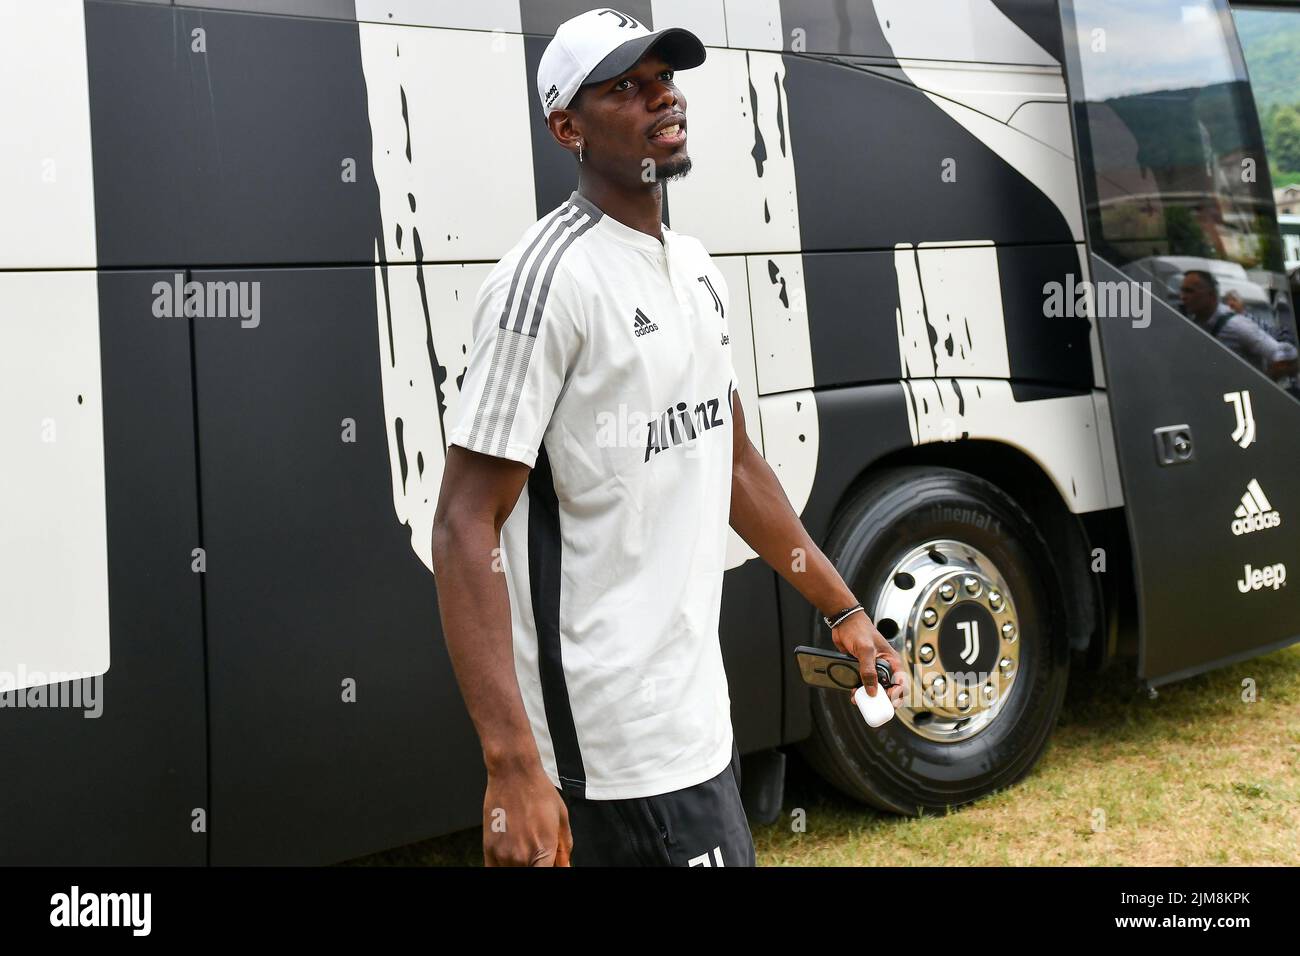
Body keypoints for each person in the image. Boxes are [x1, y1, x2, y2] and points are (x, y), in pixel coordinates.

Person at [430, 8, 906, 867]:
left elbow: (732, 462)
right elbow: (464, 527)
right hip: (605, 755)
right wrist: (512, 768)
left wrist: (842, 608)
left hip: (695, 725)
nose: (662, 99)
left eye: (665, 79)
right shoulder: (544, 285)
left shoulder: (691, 268)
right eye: (627, 87)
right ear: (568, 127)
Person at [1179, 270, 1298, 381]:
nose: (1183, 297)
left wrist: (1262, 384)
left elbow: (1287, 355)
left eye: (1190, 291)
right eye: (1182, 291)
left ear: (1211, 295)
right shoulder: (1192, 326)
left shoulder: (1236, 326)